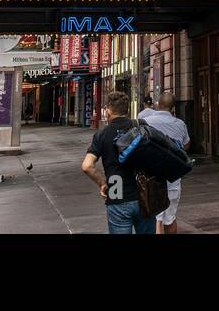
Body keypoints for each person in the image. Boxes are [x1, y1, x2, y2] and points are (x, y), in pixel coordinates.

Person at [81, 90, 153, 235]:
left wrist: (103, 183)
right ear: (127, 109)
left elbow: (87, 166)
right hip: (145, 193)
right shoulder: (140, 126)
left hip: (117, 191)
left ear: (108, 110)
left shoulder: (101, 134)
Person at [139, 93, 190, 235]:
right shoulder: (180, 124)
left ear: (158, 105)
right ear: (173, 108)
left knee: (155, 218)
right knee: (171, 218)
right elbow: (186, 145)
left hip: (151, 179)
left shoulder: (145, 121)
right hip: (173, 179)